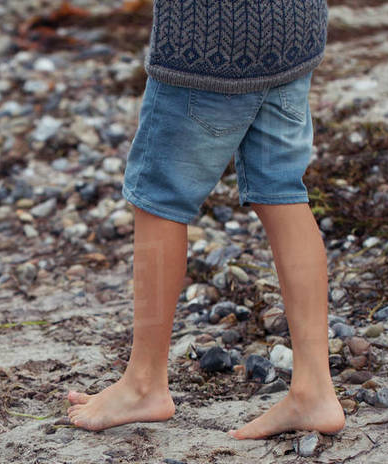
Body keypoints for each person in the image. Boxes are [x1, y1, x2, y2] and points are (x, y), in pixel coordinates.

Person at [67, 0, 345, 440]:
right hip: (294, 26)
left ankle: (143, 384)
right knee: (284, 191)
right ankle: (315, 389)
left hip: (213, 37)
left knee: (160, 197)